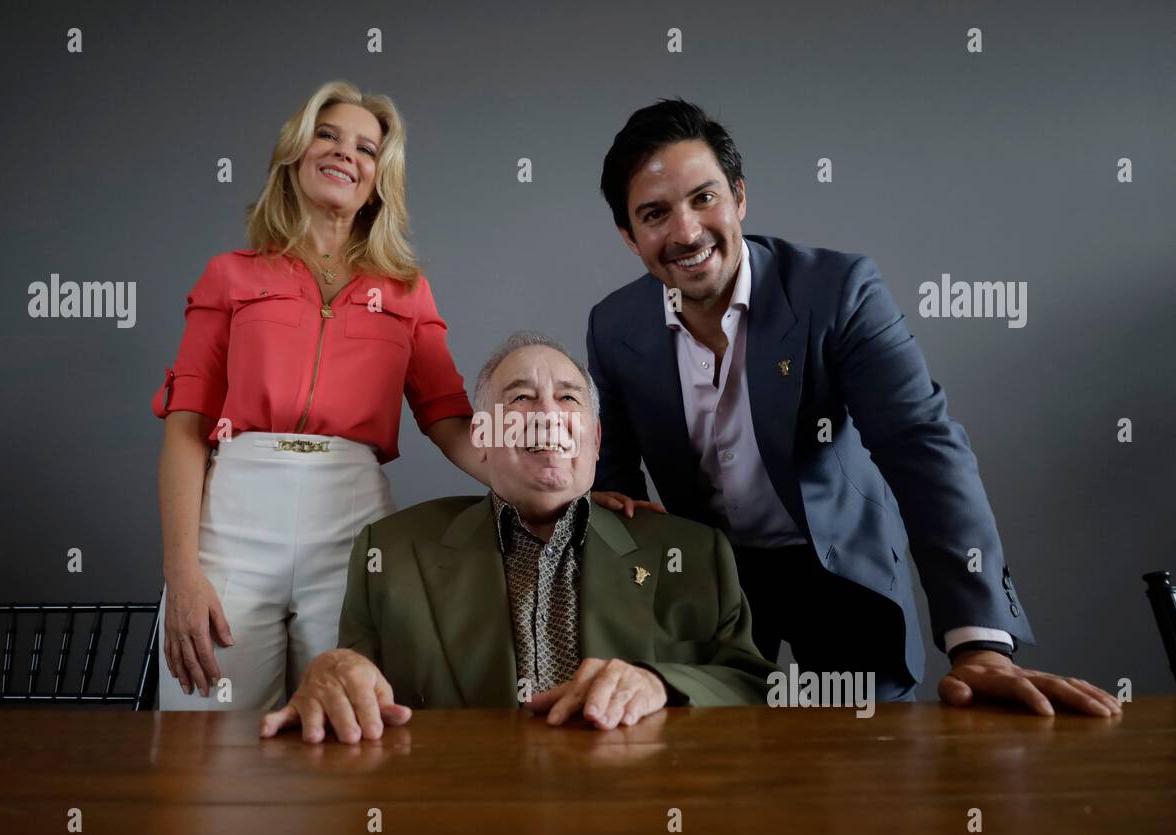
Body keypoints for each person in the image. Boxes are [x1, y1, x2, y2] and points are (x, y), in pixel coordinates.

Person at [585, 98, 1120, 717]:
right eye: (655, 214)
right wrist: (633, 611)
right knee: (699, 780)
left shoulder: (837, 292)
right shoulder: (614, 325)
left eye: (704, 198)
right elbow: (612, 485)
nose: (685, 231)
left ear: (738, 197)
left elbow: (920, 445)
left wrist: (980, 647)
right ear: (629, 236)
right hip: (706, 581)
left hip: (838, 568)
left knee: (868, 783)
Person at [152, 80, 488, 711]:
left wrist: (553, 479)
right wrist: (182, 576)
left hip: (353, 520)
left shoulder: (408, 291)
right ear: (296, 152)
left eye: (367, 148)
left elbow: (451, 422)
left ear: (379, 179)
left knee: (348, 728)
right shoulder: (230, 275)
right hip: (233, 519)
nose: (344, 152)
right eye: (328, 134)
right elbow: (185, 429)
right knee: (210, 735)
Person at [260, 332, 776, 743]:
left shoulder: (692, 551)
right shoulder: (391, 552)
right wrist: (330, 671)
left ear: (594, 440)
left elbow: (755, 687)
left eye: (568, 398)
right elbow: (355, 685)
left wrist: (660, 684)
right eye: (521, 398)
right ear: (482, 438)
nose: (547, 414)